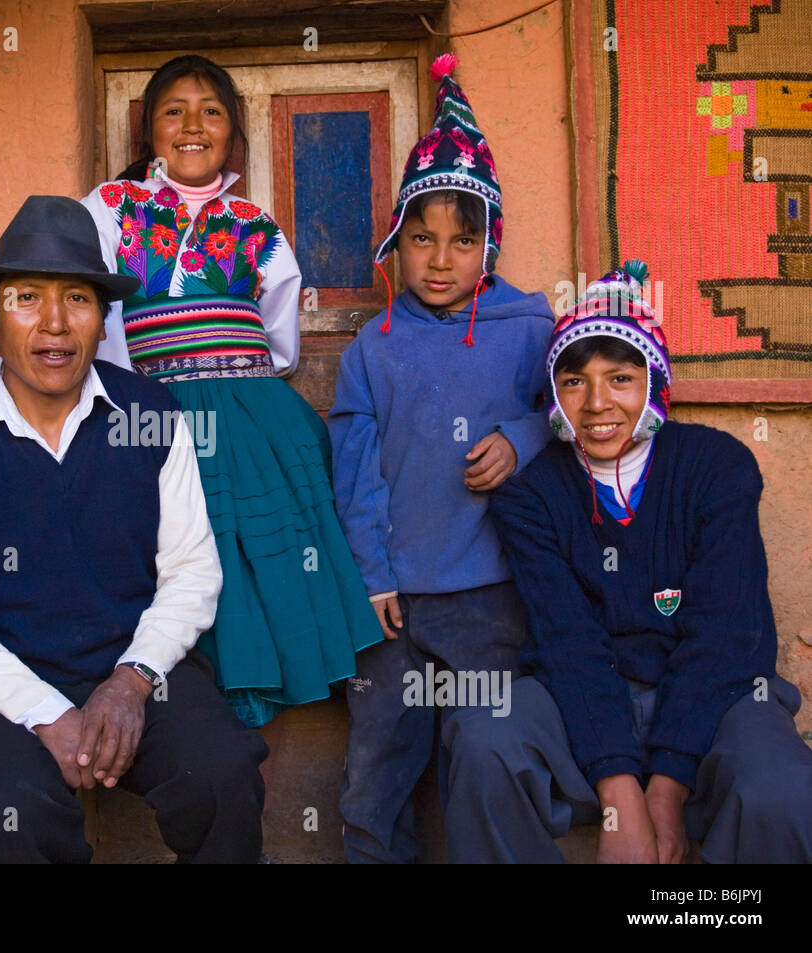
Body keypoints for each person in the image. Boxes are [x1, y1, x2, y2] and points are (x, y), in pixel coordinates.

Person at [0, 195, 269, 864]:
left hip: (132, 664)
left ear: (102, 322)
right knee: (6, 806)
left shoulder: (149, 413)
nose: (55, 323)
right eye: (26, 298)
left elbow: (191, 569)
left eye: (78, 299)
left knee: (221, 770)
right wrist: (46, 712)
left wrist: (130, 681)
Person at [448, 261, 812, 863]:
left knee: (782, 785)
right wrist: (620, 793)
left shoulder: (716, 467)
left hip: (714, 697)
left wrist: (665, 790)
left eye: (620, 378)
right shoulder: (531, 495)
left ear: (655, 380)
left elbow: (727, 635)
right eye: (574, 381)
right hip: (583, 699)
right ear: (554, 393)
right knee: (482, 735)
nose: (596, 404)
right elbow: (567, 641)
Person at [80, 54, 381, 730]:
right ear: (148, 133)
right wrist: (136, 401)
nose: (193, 125)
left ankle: (247, 762)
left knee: (255, 574)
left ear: (231, 134)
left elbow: (279, 340)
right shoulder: (111, 208)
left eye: (211, 111)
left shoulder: (253, 224)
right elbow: (93, 314)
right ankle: (196, 739)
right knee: (183, 569)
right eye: (173, 111)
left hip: (252, 420)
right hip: (151, 414)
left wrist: (226, 379)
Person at [327, 54, 556, 863]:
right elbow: (354, 471)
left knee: (480, 761)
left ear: (488, 243)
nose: (439, 259)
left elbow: (563, 418)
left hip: (490, 601)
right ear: (398, 238)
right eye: (421, 238)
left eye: (463, 241)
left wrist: (521, 440)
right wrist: (372, 574)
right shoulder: (372, 346)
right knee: (374, 773)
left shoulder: (529, 329)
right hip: (392, 604)